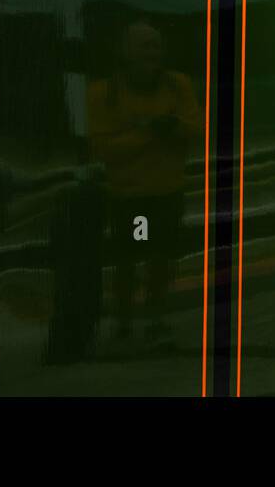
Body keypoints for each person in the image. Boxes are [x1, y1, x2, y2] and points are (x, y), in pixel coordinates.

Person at [86, 20, 199, 346]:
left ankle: (155, 318)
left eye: (156, 45)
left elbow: (193, 128)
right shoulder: (103, 93)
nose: (152, 52)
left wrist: (166, 127)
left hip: (167, 193)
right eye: (143, 45)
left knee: (162, 259)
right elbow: (103, 147)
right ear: (124, 51)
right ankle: (123, 321)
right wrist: (151, 132)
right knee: (125, 262)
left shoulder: (178, 85)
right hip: (126, 196)